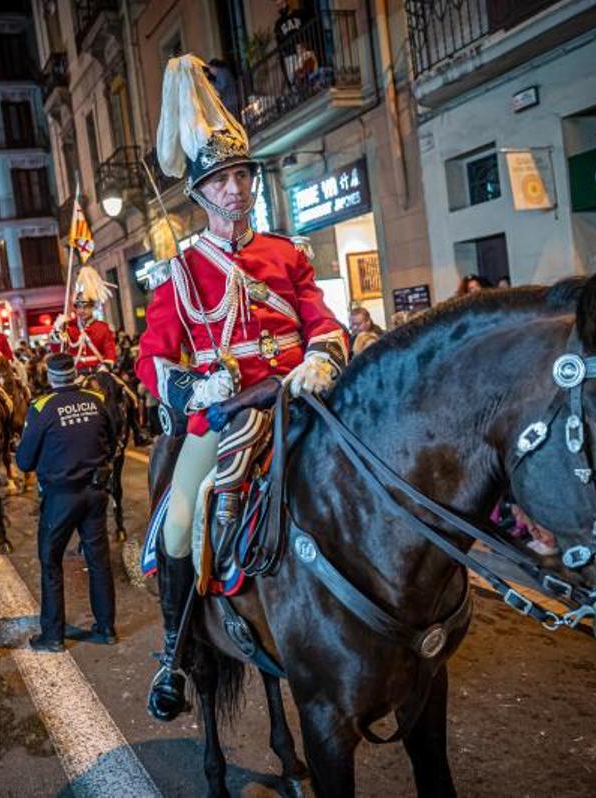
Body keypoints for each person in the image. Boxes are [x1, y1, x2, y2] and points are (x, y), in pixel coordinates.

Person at [138, 55, 347, 721]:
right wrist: (191, 389)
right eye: (222, 180)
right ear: (199, 194)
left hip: (304, 401)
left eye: (241, 176)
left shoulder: (286, 255)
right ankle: (174, 654)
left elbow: (324, 319)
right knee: (178, 523)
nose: (235, 189)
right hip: (225, 420)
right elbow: (152, 357)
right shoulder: (180, 271)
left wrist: (320, 354)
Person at [15, 353, 118, 652]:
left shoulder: (42, 407)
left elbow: (24, 462)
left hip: (61, 497)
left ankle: (53, 635)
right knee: (99, 562)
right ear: (74, 374)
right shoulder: (96, 398)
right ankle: (106, 628)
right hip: (96, 491)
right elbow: (112, 440)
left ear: (49, 377)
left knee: (50, 562)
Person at [50, 291, 118, 373]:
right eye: (79, 307)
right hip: (75, 371)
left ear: (92, 307)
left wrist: (106, 366)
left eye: (86, 307)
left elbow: (110, 351)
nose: (82, 310)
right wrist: (57, 330)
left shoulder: (103, 327)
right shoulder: (68, 327)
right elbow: (57, 351)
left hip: (98, 370)